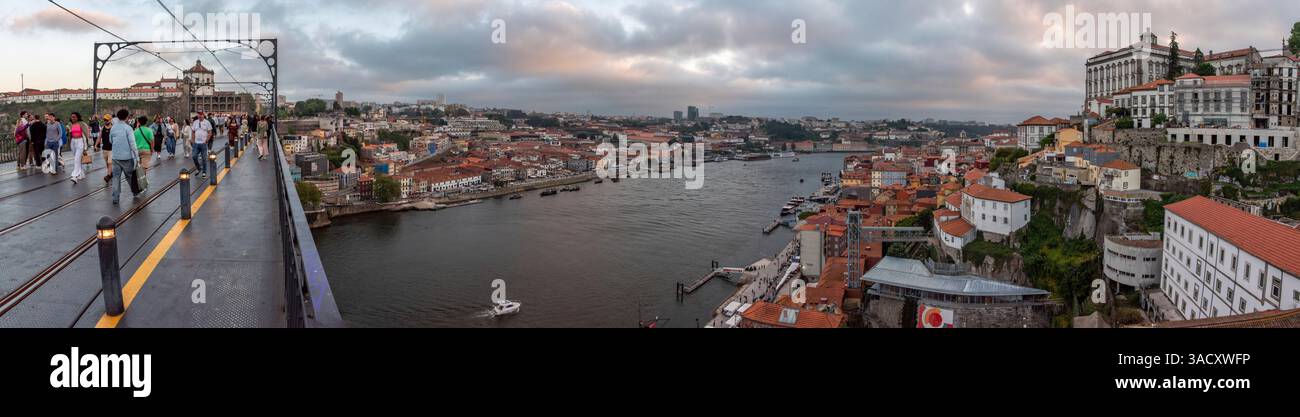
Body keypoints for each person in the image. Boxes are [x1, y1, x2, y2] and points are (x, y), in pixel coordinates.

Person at [108, 109, 139, 205]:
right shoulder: (128, 128)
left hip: (116, 157)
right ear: (127, 117)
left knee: (116, 177)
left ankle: (115, 198)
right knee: (129, 176)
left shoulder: (113, 128)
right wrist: (136, 157)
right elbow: (132, 143)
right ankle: (135, 191)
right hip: (127, 157)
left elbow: (111, 140)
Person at [66, 112, 90, 184]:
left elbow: (86, 136)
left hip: (80, 141)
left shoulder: (82, 124)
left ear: (77, 117)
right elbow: (68, 135)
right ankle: (81, 174)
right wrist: (68, 132)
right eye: (72, 117)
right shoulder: (70, 124)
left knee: (77, 159)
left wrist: (85, 148)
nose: (72, 118)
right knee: (77, 159)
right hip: (73, 142)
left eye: (74, 117)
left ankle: (74, 176)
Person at [191, 112, 213, 178]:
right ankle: (198, 168)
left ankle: (204, 172)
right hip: (196, 143)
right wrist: (192, 140)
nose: (199, 116)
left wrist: (207, 140)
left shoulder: (207, 122)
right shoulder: (195, 122)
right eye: (198, 114)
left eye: (201, 114)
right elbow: (193, 132)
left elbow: (210, 132)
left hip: (203, 143)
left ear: (203, 115)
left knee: (204, 158)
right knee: (194, 156)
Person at [98, 114, 114, 184]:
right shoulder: (102, 128)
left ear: (110, 120)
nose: (105, 121)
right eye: (104, 120)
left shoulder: (113, 128)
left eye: (107, 120)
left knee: (110, 162)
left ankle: (108, 176)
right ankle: (110, 173)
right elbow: (99, 137)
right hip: (105, 148)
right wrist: (96, 145)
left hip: (112, 149)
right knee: (107, 163)